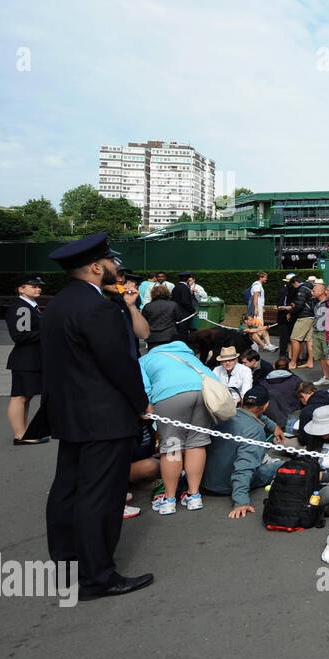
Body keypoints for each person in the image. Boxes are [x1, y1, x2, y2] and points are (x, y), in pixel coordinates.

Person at [40, 233, 153, 599]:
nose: (116, 268)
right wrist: (141, 404)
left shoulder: (58, 305)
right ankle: (98, 576)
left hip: (70, 414)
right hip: (104, 417)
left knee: (67, 490)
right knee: (99, 496)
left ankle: (68, 565)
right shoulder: (98, 307)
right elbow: (119, 364)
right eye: (111, 262)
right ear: (94, 267)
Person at [140, 338, 218, 514]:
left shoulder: (146, 359)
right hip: (204, 393)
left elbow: (142, 387)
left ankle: (169, 500)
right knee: (197, 444)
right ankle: (194, 496)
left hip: (169, 396)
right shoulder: (189, 356)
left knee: (173, 445)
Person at [203, 385, 287, 519]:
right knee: (281, 466)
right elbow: (244, 467)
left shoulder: (226, 414)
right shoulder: (254, 430)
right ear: (266, 406)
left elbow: (254, 415)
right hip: (226, 485)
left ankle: (262, 458)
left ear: (242, 402)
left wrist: (274, 427)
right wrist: (241, 501)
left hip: (206, 480)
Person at [6, 273, 48, 445]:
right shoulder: (22, 308)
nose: (38, 288)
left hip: (31, 359)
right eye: (33, 286)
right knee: (20, 396)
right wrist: (48, 331)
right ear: (21, 289)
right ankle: (20, 434)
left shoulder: (31, 306)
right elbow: (21, 336)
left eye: (38, 286)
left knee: (26, 396)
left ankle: (24, 432)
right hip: (25, 359)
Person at [288, 276, 315, 368]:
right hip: (312, 315)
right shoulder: (310, 287)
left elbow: (299, 305)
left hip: (304, 316)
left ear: (295, 283)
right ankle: (310, 362)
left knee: (294, 339)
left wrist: (291, 312)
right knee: (309, 340)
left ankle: (293, 363)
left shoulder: (302, 289)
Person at [141, 283, 179, 348]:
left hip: (152, 336)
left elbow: (144, 321)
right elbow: (178, 318)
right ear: (167, 293)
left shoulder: (147, 306)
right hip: (169, 335)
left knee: (153, 355)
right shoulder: (173, 305)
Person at [171, 272, 198, 339]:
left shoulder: (176, 287)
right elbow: (185, 302)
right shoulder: (185, 288)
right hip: (184, 314)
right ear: (188, 279)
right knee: (183, 332)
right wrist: (193, 310)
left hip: (176, 313)